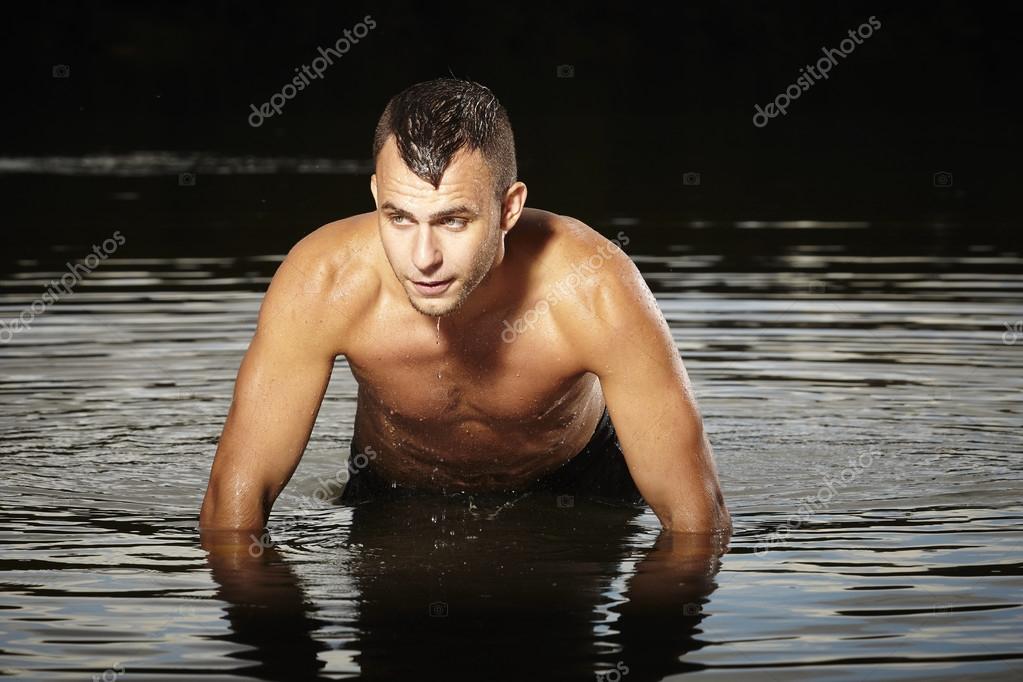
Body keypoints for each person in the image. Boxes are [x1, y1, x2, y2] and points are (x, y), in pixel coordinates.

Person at [198, 77, 730, 535]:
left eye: (453, 221)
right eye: (400, 217)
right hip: (394, 489)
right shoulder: (323, 280)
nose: (423, 258)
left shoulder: (593, 287)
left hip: (577, 481)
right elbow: (236, 503)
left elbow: (697, 524)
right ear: (376, 195)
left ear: (508, 209)